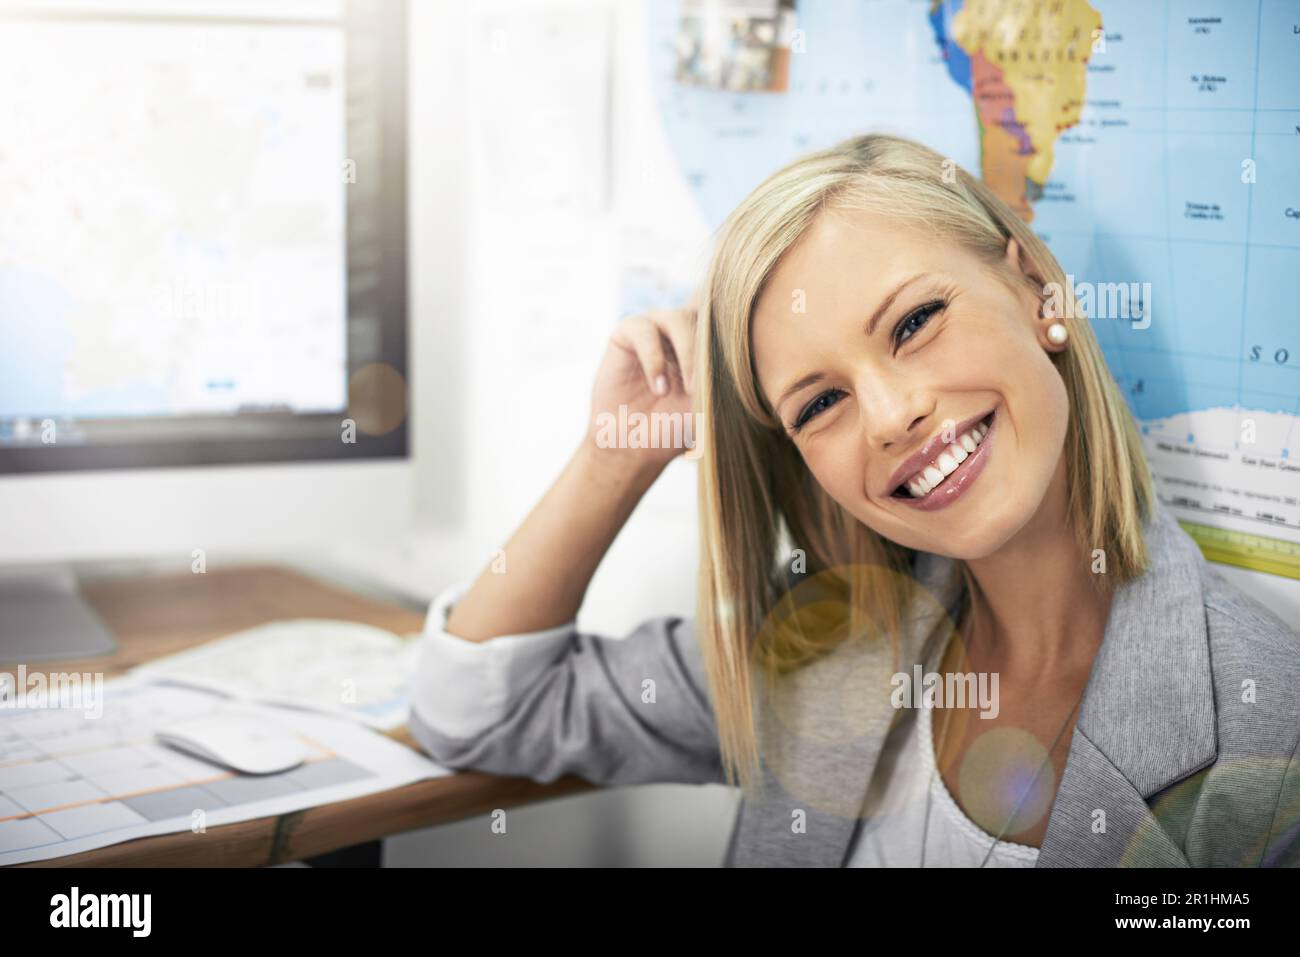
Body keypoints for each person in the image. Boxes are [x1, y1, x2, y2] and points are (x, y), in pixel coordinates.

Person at [407, 133, 1300, 867]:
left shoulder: (1271, 729)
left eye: (914, 323)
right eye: (820, 402)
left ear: (1035, 289)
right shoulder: (826, 647)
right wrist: (618, 454)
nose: (890, 415)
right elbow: (478, 709)